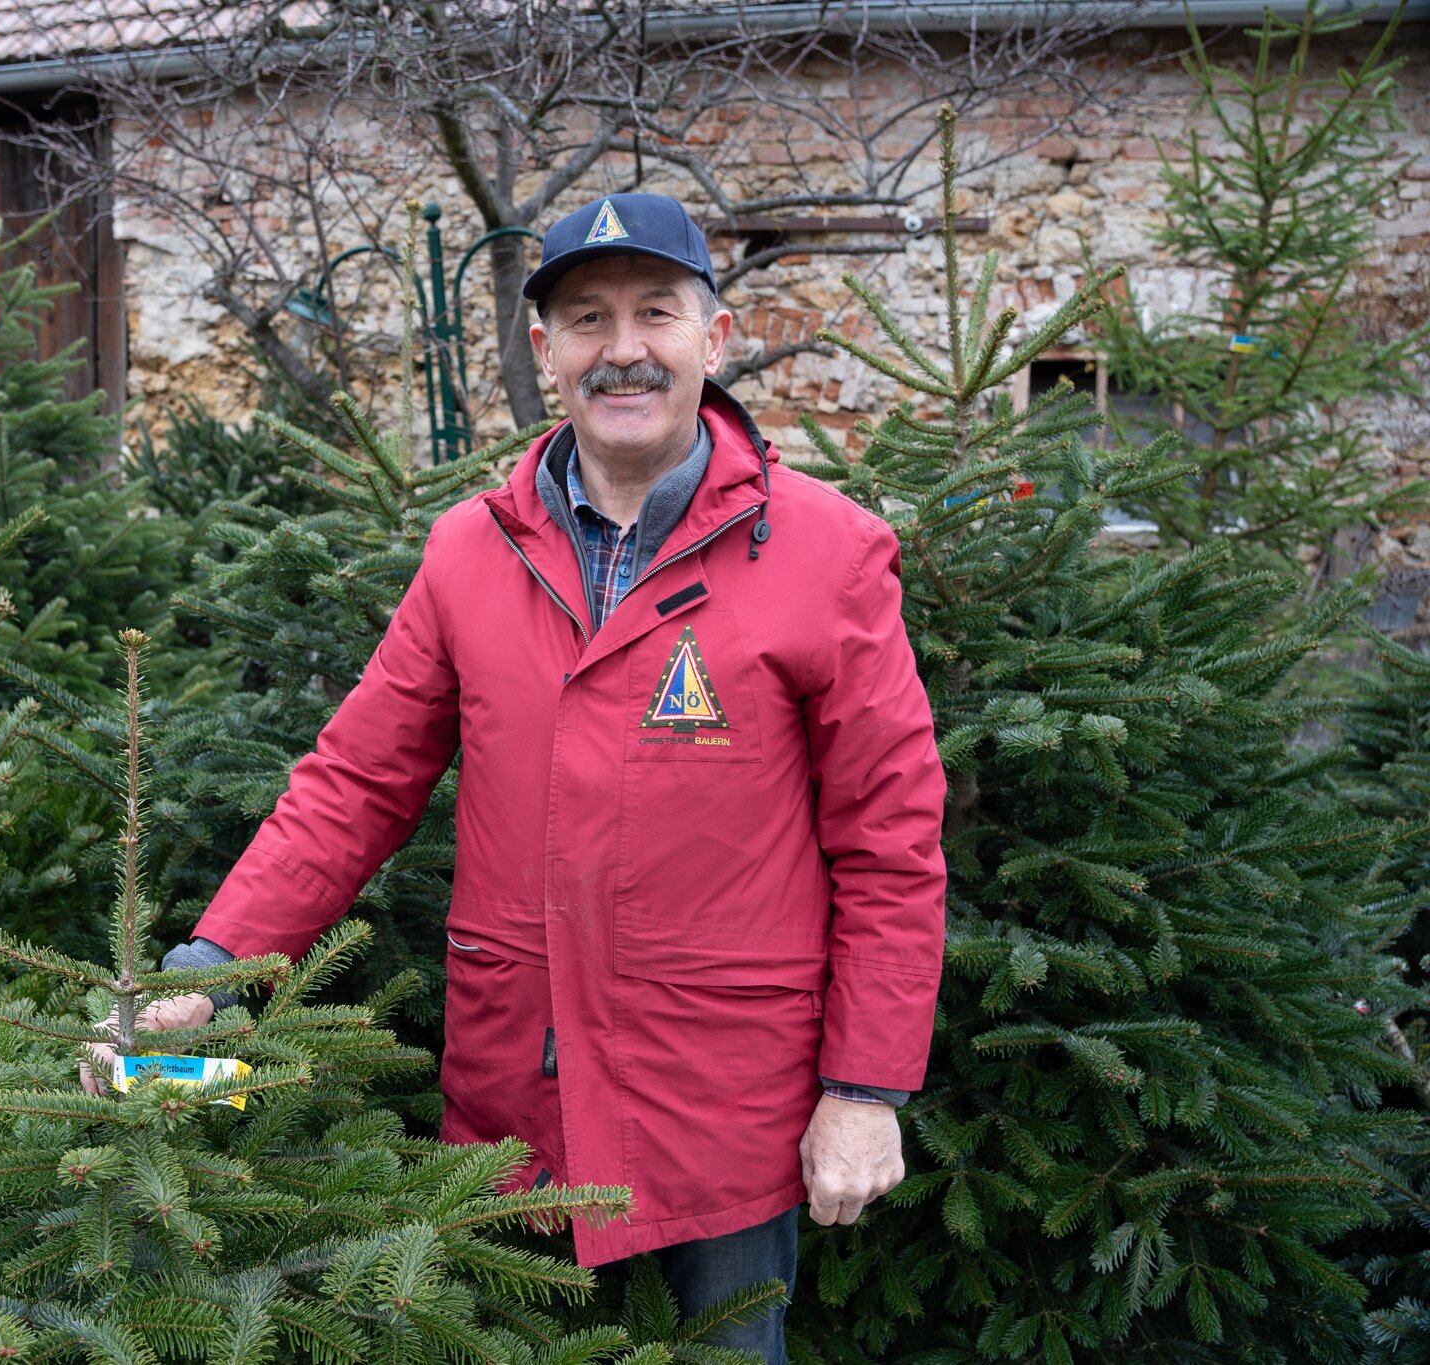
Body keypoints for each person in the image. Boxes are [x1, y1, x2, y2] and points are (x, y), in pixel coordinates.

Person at [92, 193, 946, 1361]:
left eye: (656, 311)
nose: (624, 347)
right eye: (586, 320)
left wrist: (863, 1088)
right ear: (544, 353)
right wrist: (207, 970)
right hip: (519, 1084)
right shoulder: (468, 551)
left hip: (728, 1095)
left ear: (716, 337)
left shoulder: (827, 552)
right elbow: (354, 782)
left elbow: (888, 841)